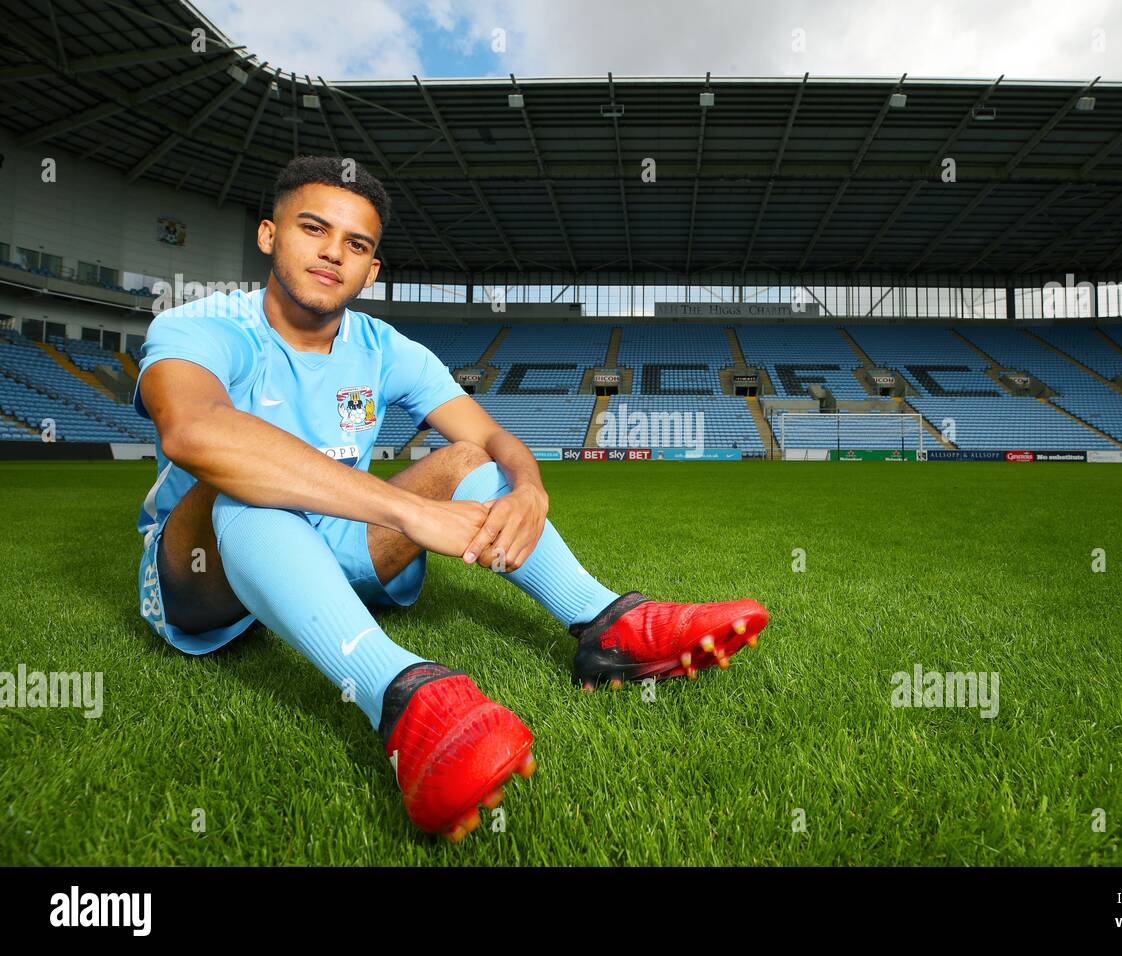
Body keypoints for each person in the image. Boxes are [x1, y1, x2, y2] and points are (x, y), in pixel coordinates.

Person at [133, 156, 768, 841]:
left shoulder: (383, 346)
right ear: (268, 234)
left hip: (333, 543)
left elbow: (493, 437)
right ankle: (405, 696)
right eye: (312, 228)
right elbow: (194, 430)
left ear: (372, 270)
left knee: (465, 457)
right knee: (241, 486)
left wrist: (529, 489)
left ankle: (604, 625)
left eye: (357, 244)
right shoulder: (206, 324)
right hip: (203, 571)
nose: (331, 253)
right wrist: (409, 511)